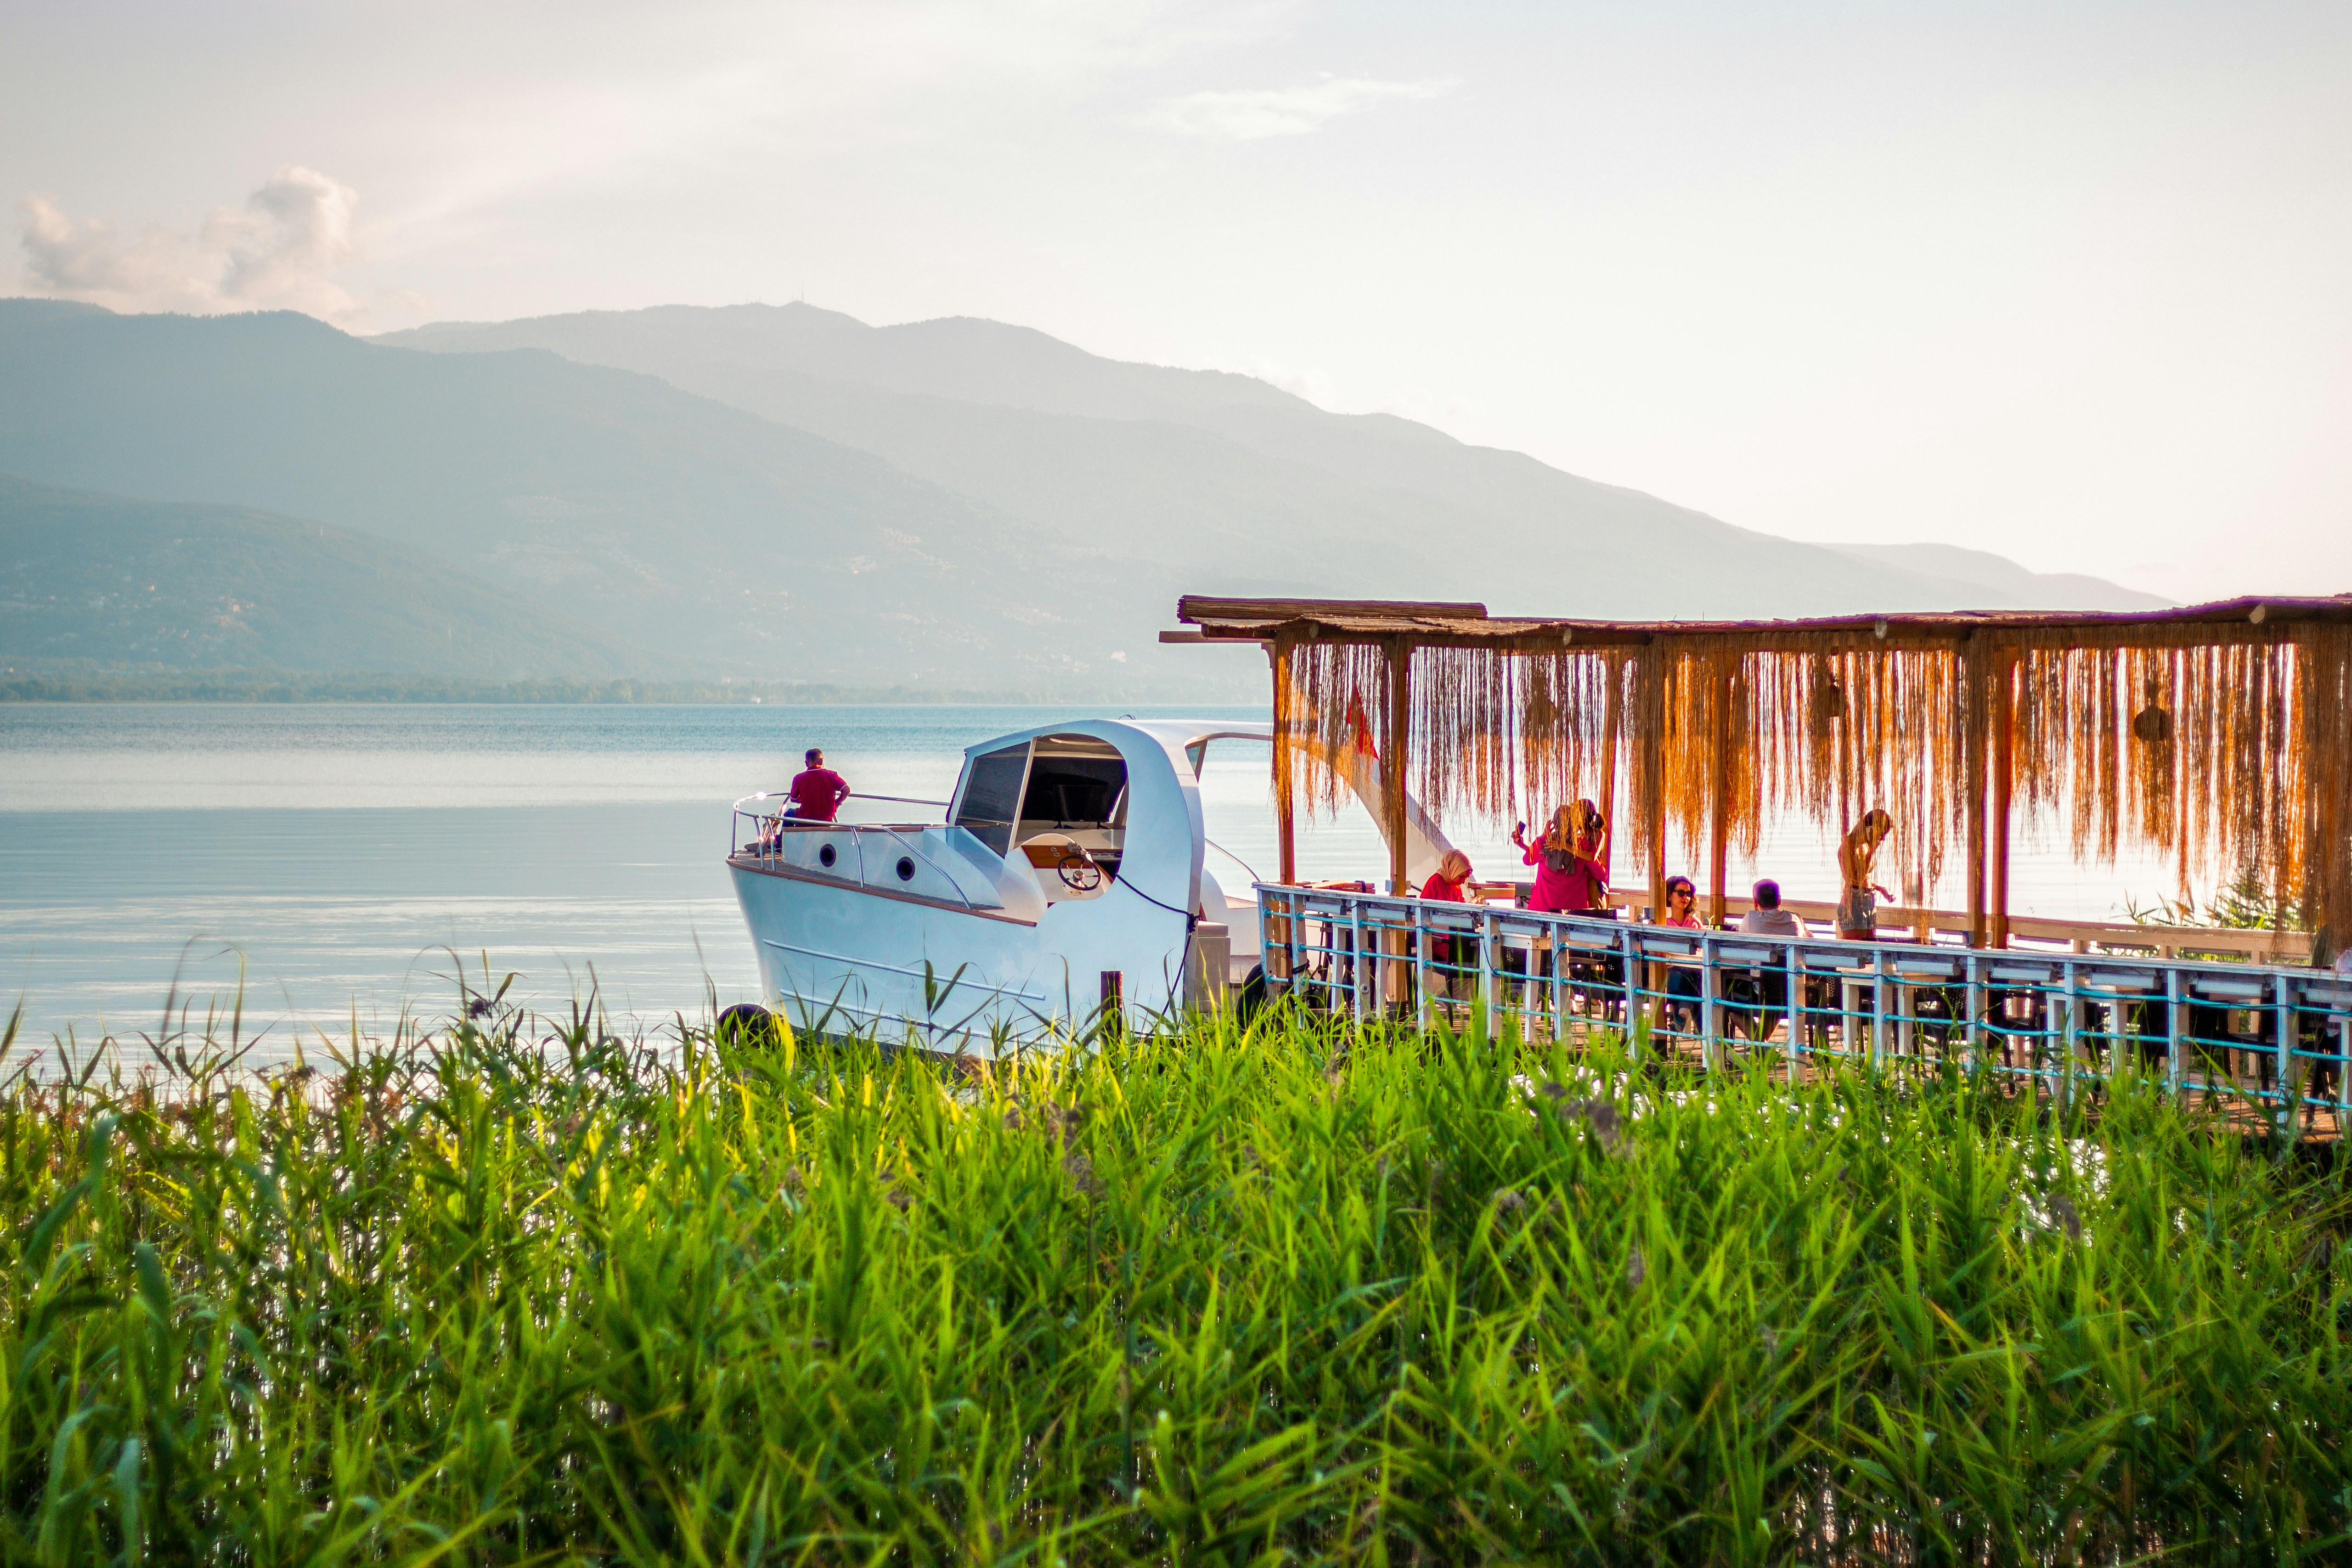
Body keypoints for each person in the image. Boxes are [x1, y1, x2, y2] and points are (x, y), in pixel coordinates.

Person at [1513, 800, 1611, 916]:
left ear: (1554, 822)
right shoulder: (1583, 846)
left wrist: (1540, 839)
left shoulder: (1544, 842)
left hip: (1542, 912)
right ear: (1574, 822)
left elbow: (1528, 860)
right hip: (1573, 915)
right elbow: (1602, 875)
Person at [1419, 850, 1474, 998]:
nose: (1463, 881)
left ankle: (1449, 996)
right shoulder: (1435, 882)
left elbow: (1461, 907)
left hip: (1452, 937)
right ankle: (1446, 996)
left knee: (1476, 956)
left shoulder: (1455, 886)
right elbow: (1423, 911)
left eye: (1465, 878)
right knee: (1468, 957)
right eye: (1461, 876)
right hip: (1437, 939)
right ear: (1453, 869)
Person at [1836, 810, 1895, 939]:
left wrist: (1879, 889)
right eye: (1882, 834)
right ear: (1871, 829)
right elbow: (1854, 879)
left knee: (1870, 950)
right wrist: (1872, 852)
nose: (1883, 838)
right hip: (1854, 903)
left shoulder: (1865, 845)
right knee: (1859, 951)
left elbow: (1865, 878)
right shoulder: (1849, 846)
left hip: (1868, 901)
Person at [1659, 875, 1705, 1030]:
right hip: (1668, 974)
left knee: (1698, 979)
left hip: (1692, 972)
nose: (1685, 897)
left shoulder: (1695, 923)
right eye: (1681, 893)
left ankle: (1683, 1018)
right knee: (1698, 983)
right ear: (1670, 895)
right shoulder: (1661, 921)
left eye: (1688, 894)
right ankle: (1708, 1040)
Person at [786, 747, 852, 823]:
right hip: (826, 820)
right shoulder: (832, 775)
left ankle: (783, 834)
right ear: (822, 761)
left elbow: (793, 799)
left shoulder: (799, 778)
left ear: (806, 763)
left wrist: (807, 799)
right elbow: (846, 790)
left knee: (788, 814)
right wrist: (837, 802)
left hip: (805, 819)